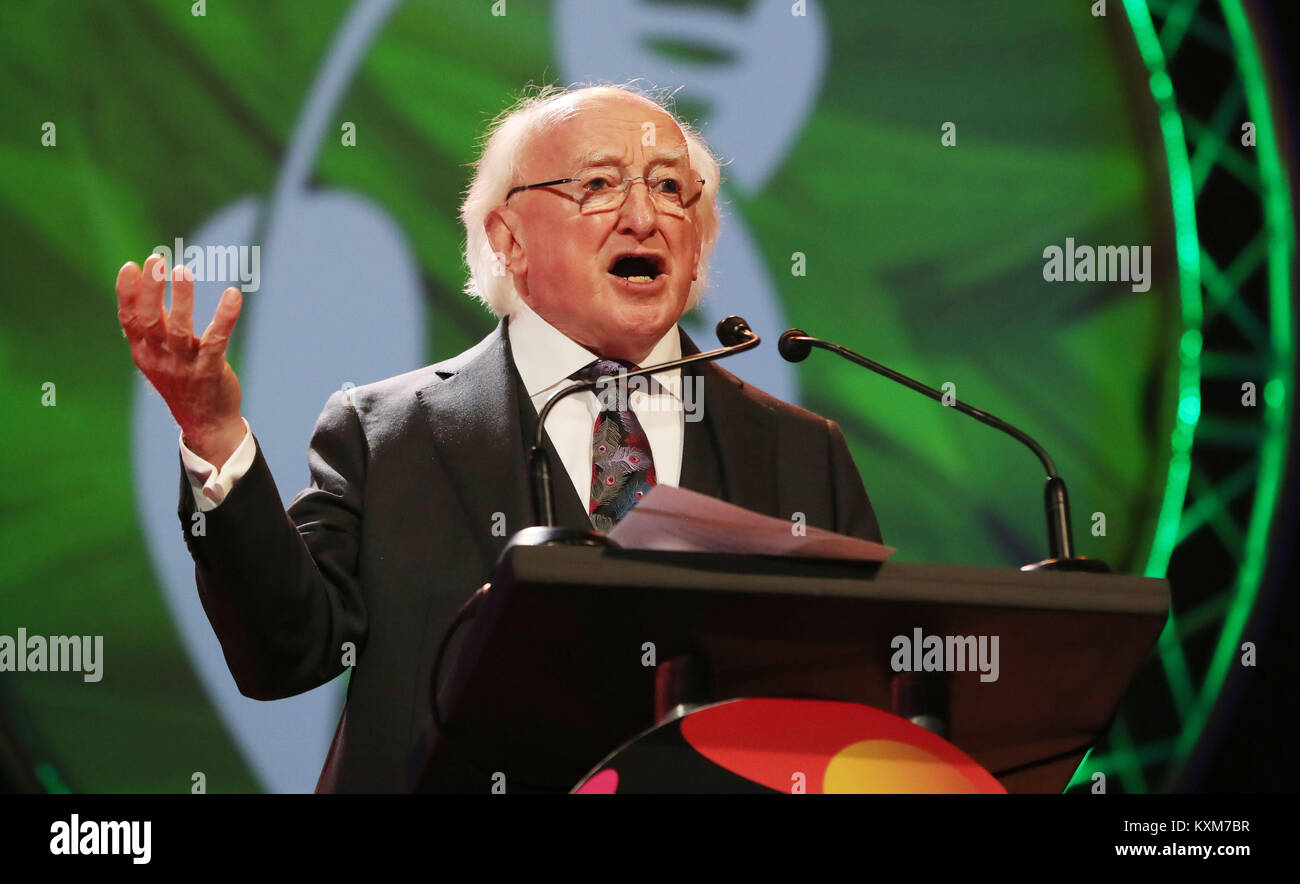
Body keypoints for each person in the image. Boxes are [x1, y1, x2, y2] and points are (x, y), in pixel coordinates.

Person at [114, 84, 882, 792]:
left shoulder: (800, 452)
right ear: (508, 238)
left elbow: (866, 710)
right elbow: (286, 653)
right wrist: (212, 431)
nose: (644, 217)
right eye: (599, 184)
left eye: (671, 188)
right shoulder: (385, 434)